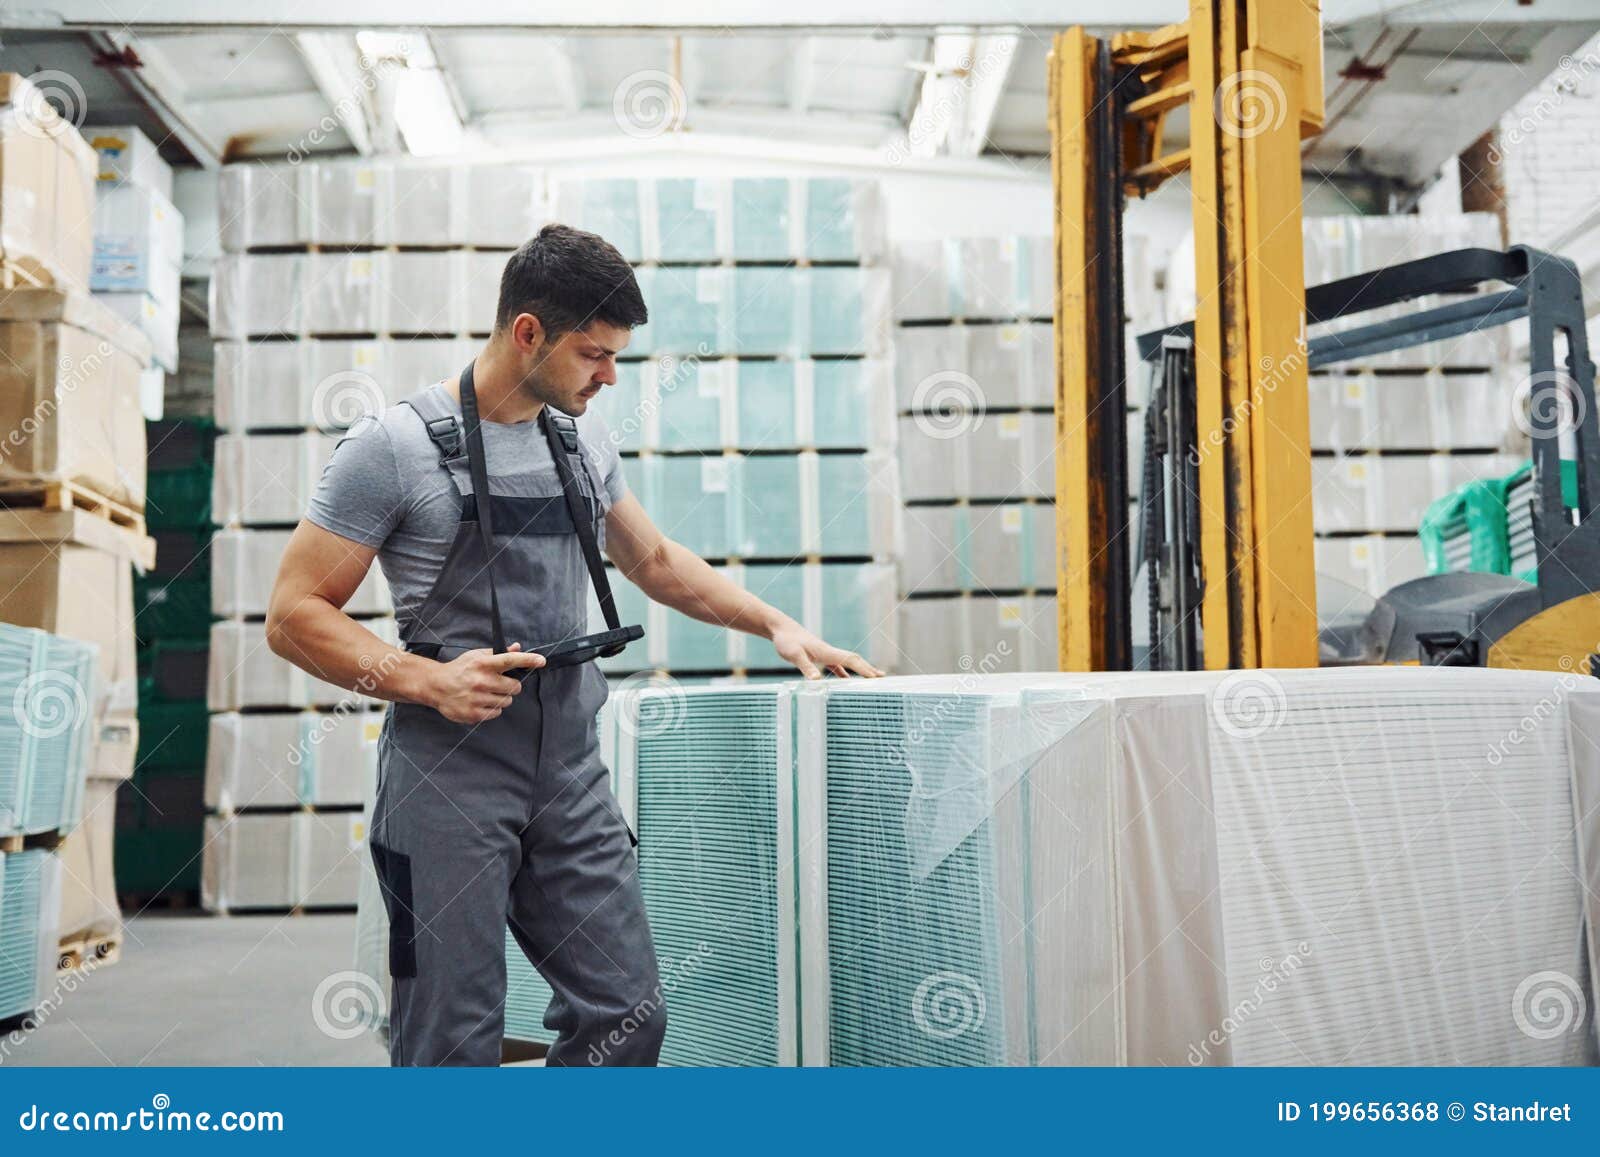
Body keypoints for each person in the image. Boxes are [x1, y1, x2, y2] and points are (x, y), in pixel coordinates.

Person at [266, 223, 882, 1067]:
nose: (610, 375)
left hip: (567, 770)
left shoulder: (581, 440)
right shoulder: (394, 448)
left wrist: (777, 623)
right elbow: (294, 612)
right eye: (595, 353)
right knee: (451, 1040)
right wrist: (428, 680)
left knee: (626, 1013)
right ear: (528, 332)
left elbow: (654, 559)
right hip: (448, 774)